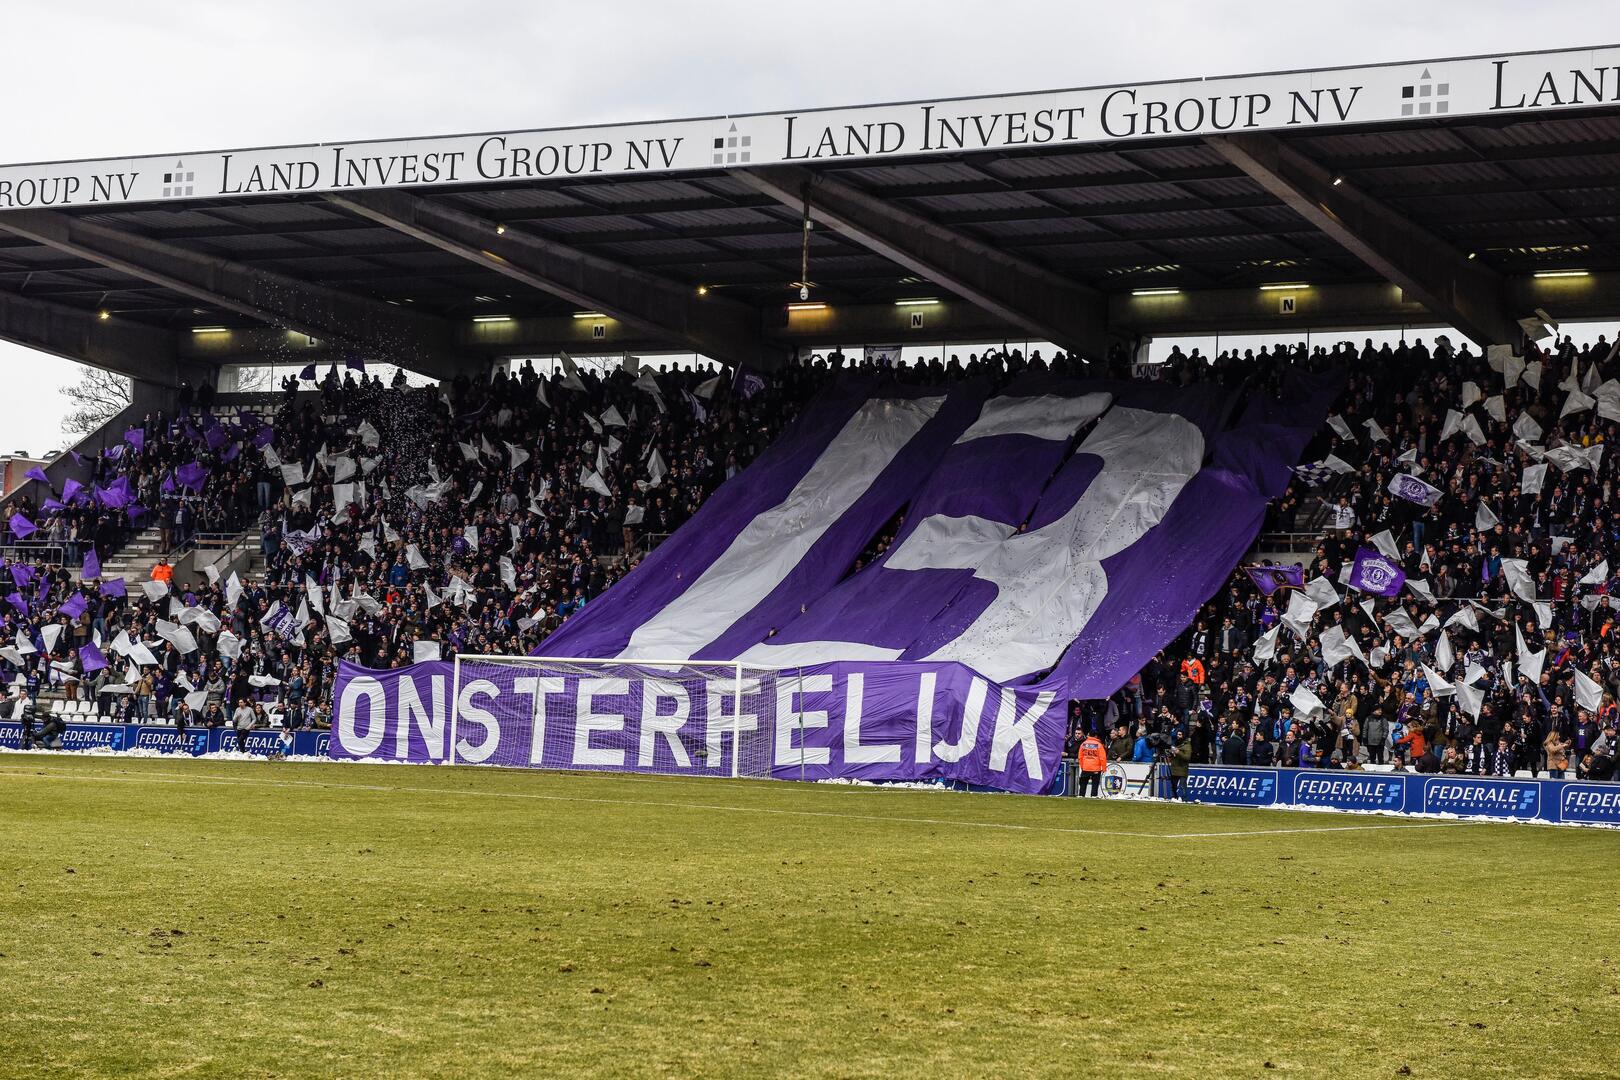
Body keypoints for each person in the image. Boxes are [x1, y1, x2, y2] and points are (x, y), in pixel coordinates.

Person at [1077, 729, 1107, 797]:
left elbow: (1080, 757)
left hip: (1086, 767)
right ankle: (1093, 797)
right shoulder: (1099, 745)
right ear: (1096, 736)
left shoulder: (1083, 744)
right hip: (1096, 769)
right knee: (1095, 785)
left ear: (1089, 735)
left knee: (1083, 784)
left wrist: (1082, 766)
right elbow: (1103, 758)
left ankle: (1081, 796)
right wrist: (1104, 768)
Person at [1168, 732, 1192, 800]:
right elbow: (1172, 756)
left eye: (1180, 734)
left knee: (1182, 786)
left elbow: (1187, 757)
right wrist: (1170, 753)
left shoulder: (1187, 745)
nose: (1178, 736)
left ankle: (1184, 799)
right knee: (1173, 786)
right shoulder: (1174, 743)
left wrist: (1178, 752)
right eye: (1177, 734)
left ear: (1183, 735)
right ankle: (1173, 797)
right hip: (1174, 768)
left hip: (1182, 769)